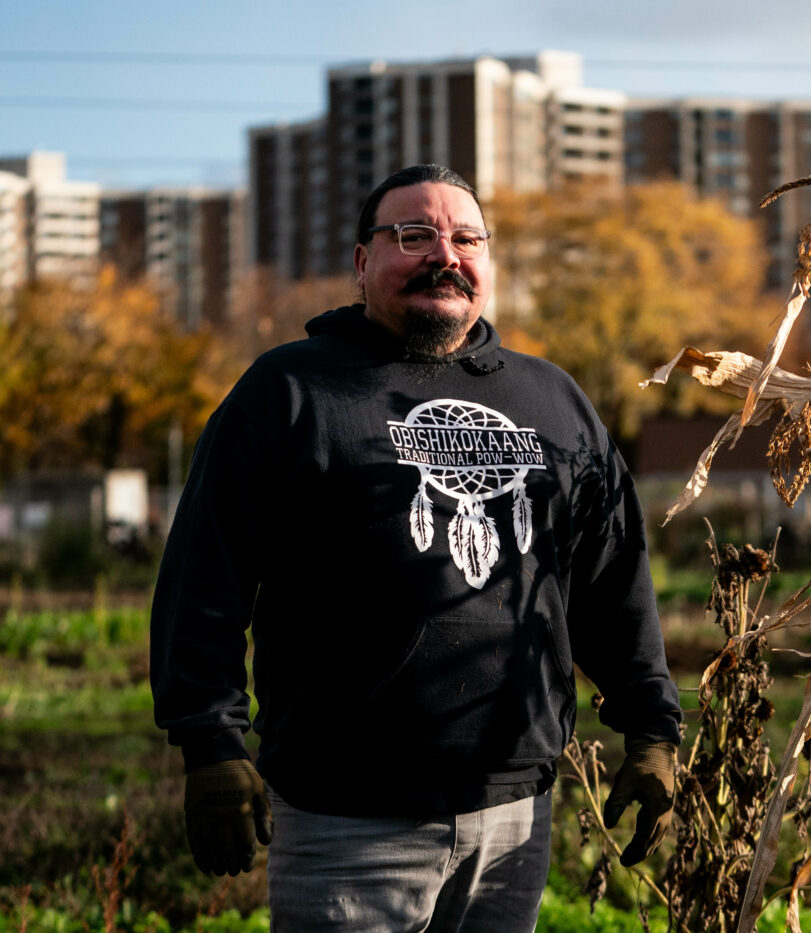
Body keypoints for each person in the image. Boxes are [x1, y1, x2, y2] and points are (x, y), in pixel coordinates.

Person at [150, 163, 682, 932]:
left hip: (515, 817)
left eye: (467, 237)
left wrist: (651, 727)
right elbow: (207, 573)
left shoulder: (554, 402)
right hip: (349, 821)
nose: (445, 254)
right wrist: (209, 741)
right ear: (363, 262)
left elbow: (611, 579)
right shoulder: (290, 391)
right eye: (413, 235)